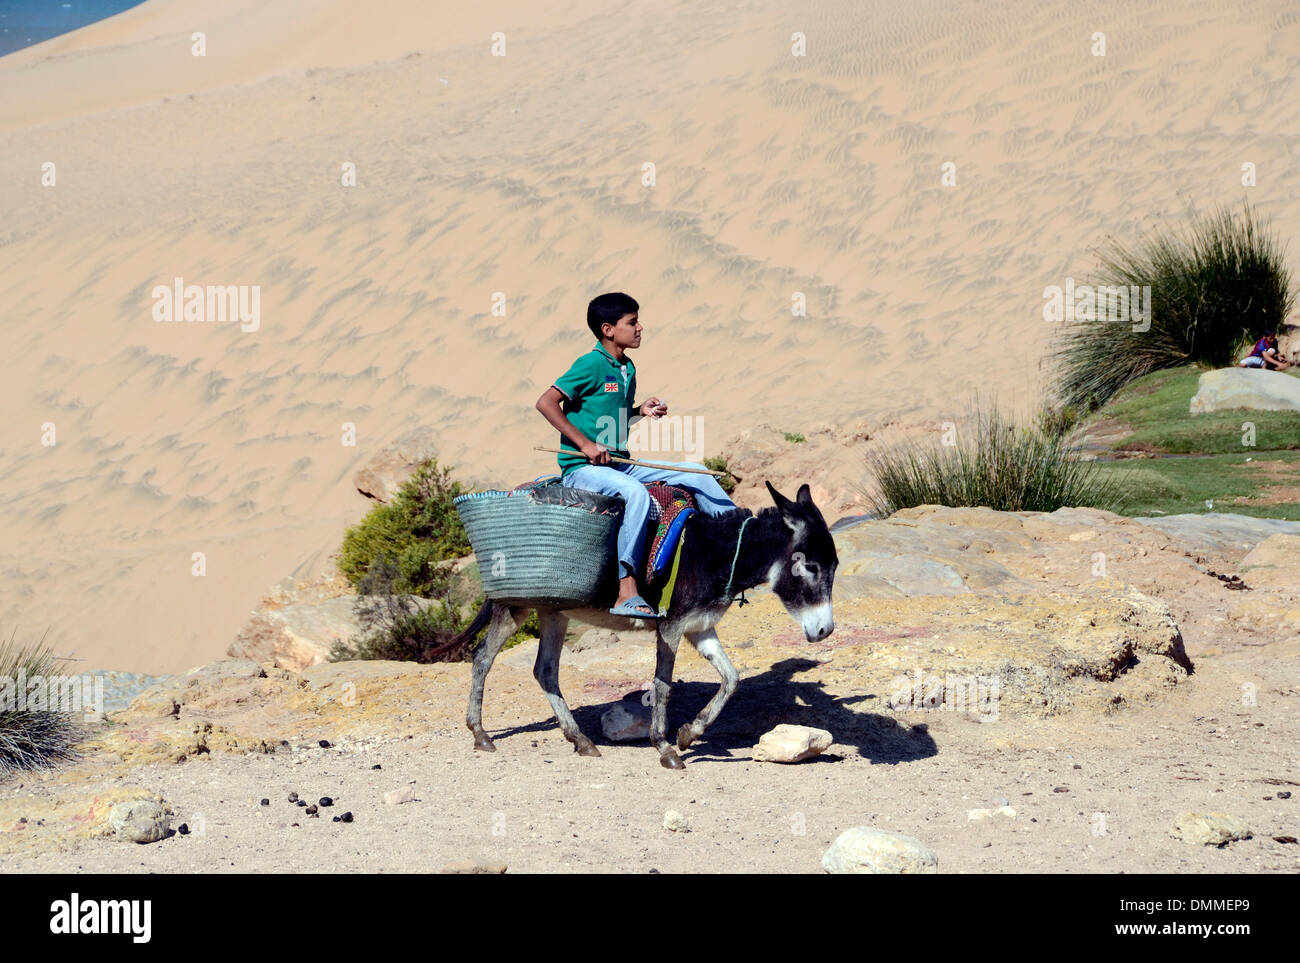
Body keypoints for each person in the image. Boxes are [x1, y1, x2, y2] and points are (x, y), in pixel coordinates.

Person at [534, 292, 737, 619]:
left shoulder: (627, 368)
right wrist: (585, 445)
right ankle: (625, 591)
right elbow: (545, 403)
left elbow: (607, 412)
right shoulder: (590, 364)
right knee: (634, 494)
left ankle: (737, 539)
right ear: (608, 329)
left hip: (619, 464)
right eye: (632, 322)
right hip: (582, 469)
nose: (640, 327)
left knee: (696, 472)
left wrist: (638, 410)